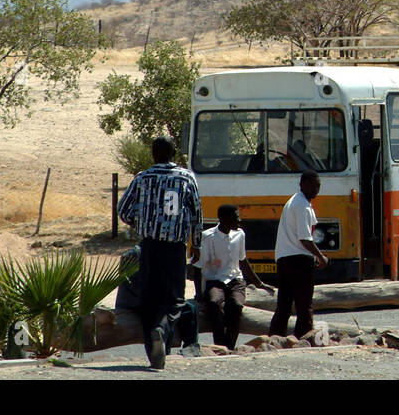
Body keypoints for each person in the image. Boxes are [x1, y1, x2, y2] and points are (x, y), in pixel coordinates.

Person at [116, 136, 202, 369]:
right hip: (175, 248)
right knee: (174, 300)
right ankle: (161, 331)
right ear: (174, 154)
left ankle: (154, 354)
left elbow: (122, 210)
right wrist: (197, 244)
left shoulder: (142, 178)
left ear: (153, 154)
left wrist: (140, 223)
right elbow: (196, 215)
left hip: (149, 246)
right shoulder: (186, 177)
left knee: (149, 299)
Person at [197, 204, 274, 350]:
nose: (239, 220)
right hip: (215, 280)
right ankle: (220, 345)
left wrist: (259, 283)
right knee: (214, 304)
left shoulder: (240, 234)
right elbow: (197, 267)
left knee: (236, 305)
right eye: (235, 217)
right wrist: (198, 293)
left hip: (235, 280)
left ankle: (229, 346)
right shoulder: (207, 237)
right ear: (223, 219)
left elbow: (243, 260)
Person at [269, 172, 327, 340]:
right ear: (302, 184)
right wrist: (321, 257)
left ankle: (274, 339)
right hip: (299, 260)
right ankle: (305, 338)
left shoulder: (295, 201)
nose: (315, 189)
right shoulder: (301, 205)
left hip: (284, 258)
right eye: (312, 185)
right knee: (304, 305)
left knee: (284, 305)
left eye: (318, 186)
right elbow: (305, 239)